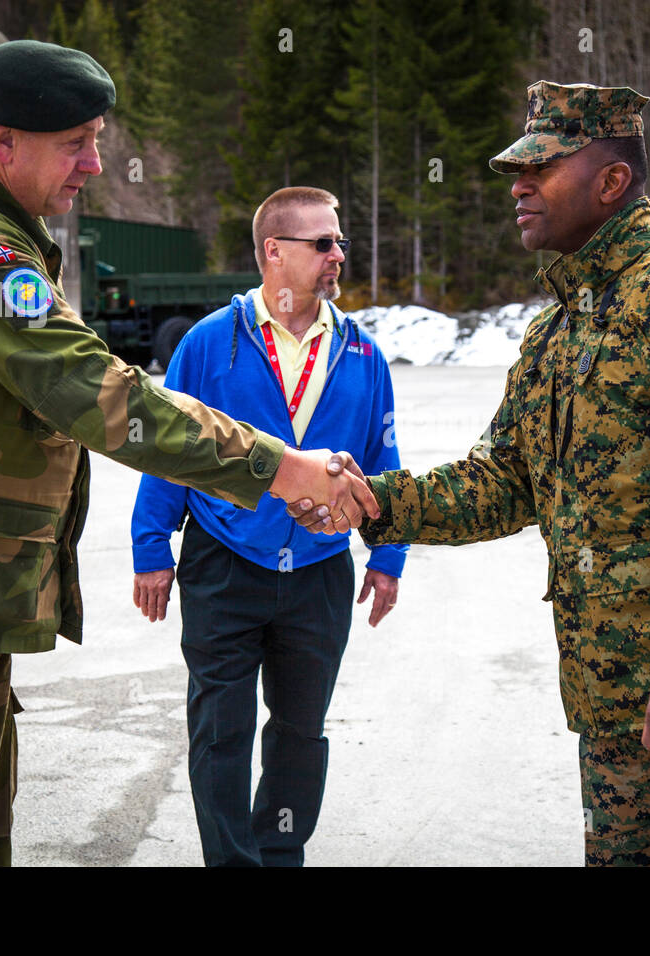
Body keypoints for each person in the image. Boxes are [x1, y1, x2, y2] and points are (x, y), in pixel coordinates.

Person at [0, 40, 375, 867]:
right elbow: (96, 393)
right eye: (76, 143)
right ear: (3, 142)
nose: (96, 165)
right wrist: (280, 468)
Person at [292, 81, 650, 866]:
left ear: (612, 182)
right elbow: (503, 479)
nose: (518, 187)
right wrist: (374, 504)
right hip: (616, 705)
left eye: (540, 170)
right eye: (516, 171)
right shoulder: (557, 330)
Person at [130, 186, 407, 866]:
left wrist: (387, 557)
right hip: (222, 565)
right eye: (323, 243)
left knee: (299, 730)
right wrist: (150, 548)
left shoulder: (362, 354)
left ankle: (280, 854)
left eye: (339, 241)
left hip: (318, 573)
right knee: (220, 730)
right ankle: (232, 861)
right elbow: (169, 449)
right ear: (273, 253)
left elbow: (384, 462)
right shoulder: (207, 344)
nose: (337, 254)